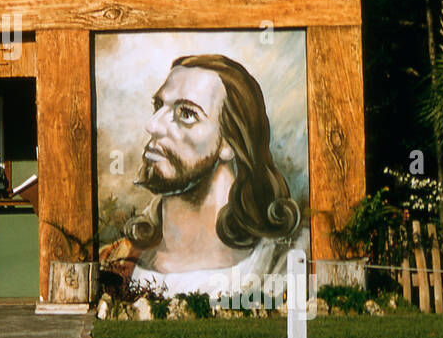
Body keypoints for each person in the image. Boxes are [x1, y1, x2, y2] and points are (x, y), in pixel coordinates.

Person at [99, 53, 302, 298]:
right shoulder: (119, 260)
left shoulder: (278, 266)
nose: (153, 125)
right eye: (159, 106)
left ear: (229, 142)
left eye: (186, 114)